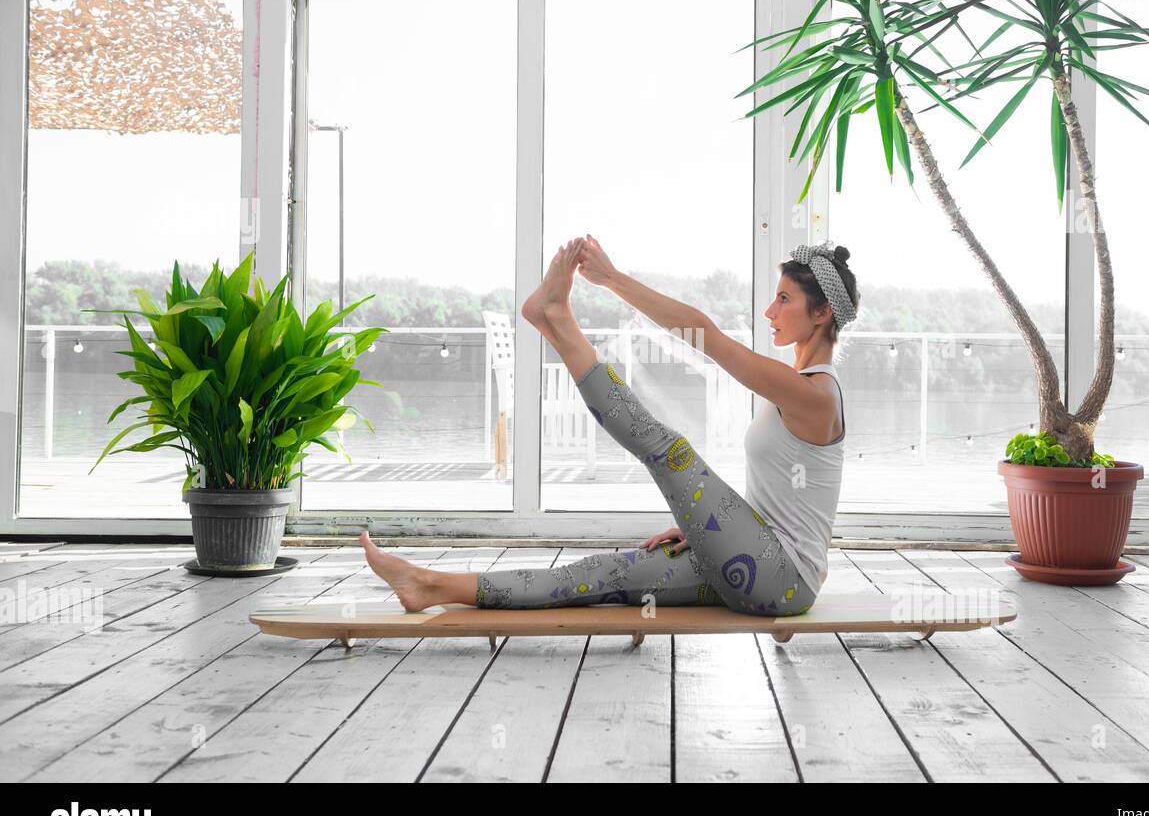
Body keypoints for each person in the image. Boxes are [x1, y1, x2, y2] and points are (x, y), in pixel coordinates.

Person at [361, 235, 859, 617]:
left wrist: (614, 279)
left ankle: (556, 319)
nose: (770, 312)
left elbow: (703, 336)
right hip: (754, 562)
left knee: (669, 449)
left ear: (821, 314)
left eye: (784, 301)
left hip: (782, 578)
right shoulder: (798, 388)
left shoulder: (815, 395)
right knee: (605, 572)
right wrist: (712, 529)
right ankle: (428, 587)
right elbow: (784, 502)